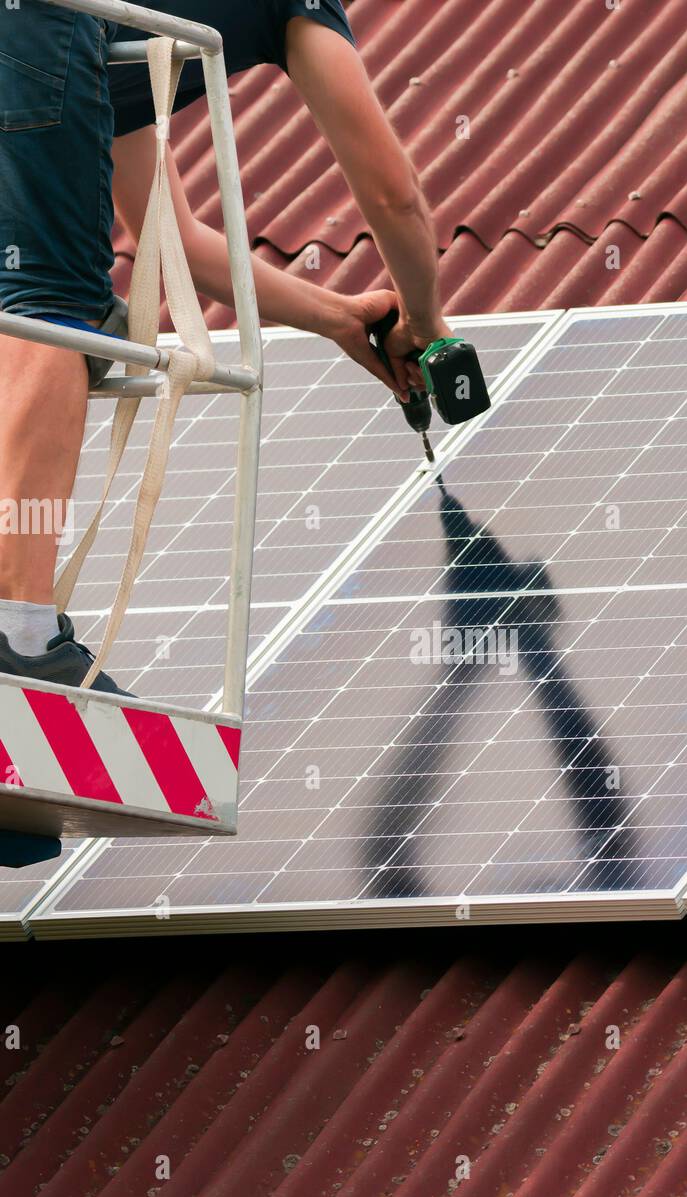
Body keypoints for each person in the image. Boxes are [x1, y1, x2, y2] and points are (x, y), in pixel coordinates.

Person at [0, 0, 449, 692]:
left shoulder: (112, 48)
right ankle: (22, 634)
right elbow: (395, 197)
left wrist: (337, 317)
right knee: (56, 308)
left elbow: (173, 236)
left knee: (28, 297)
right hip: (36, 20)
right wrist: (424, 319)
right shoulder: (300, 7)